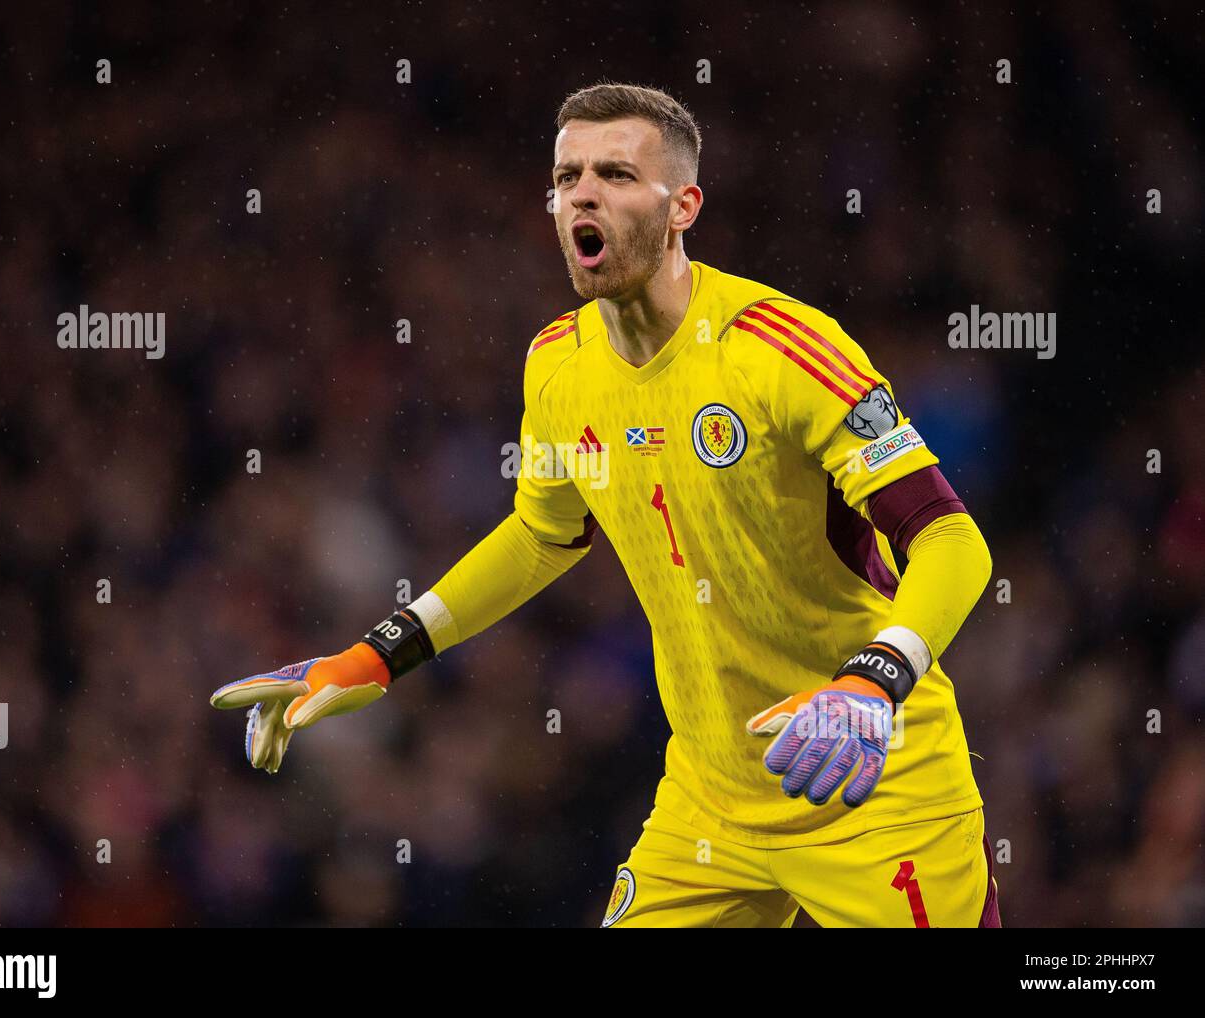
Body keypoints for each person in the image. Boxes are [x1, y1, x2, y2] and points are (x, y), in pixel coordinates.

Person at [211, 82, 1000, 928]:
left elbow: (953, 541)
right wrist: (376, 656)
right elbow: (540, 538)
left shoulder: (782, 350)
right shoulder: (557, 364)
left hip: (871, 782)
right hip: (712, 802)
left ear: (683, 206)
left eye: (617, 173)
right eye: (567, 176)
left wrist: (874, 684)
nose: (582, 192)